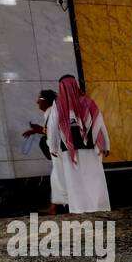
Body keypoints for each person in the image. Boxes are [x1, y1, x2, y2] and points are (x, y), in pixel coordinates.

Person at [46, 74, 110, 214]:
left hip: (70, 150)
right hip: (88, 148)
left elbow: (52, 129)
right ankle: (97, 207)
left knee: (75, 181)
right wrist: (105, 144)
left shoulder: (58, 105)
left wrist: (53, 147)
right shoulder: (87, 101)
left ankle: (80, 209)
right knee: (92, 177)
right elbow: (100, 124)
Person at [22, 89, 64, 215]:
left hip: (59, 152)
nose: (37, 102)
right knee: (56, 179)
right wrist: (37, 130)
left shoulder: (52, 112)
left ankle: (57, 207)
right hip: (58, 152)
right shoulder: (50, 112)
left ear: (46, 101)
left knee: (58, 179)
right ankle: (54, 207)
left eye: (39, 99)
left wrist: (40, 130)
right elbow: (50, 131)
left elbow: (55, 132)